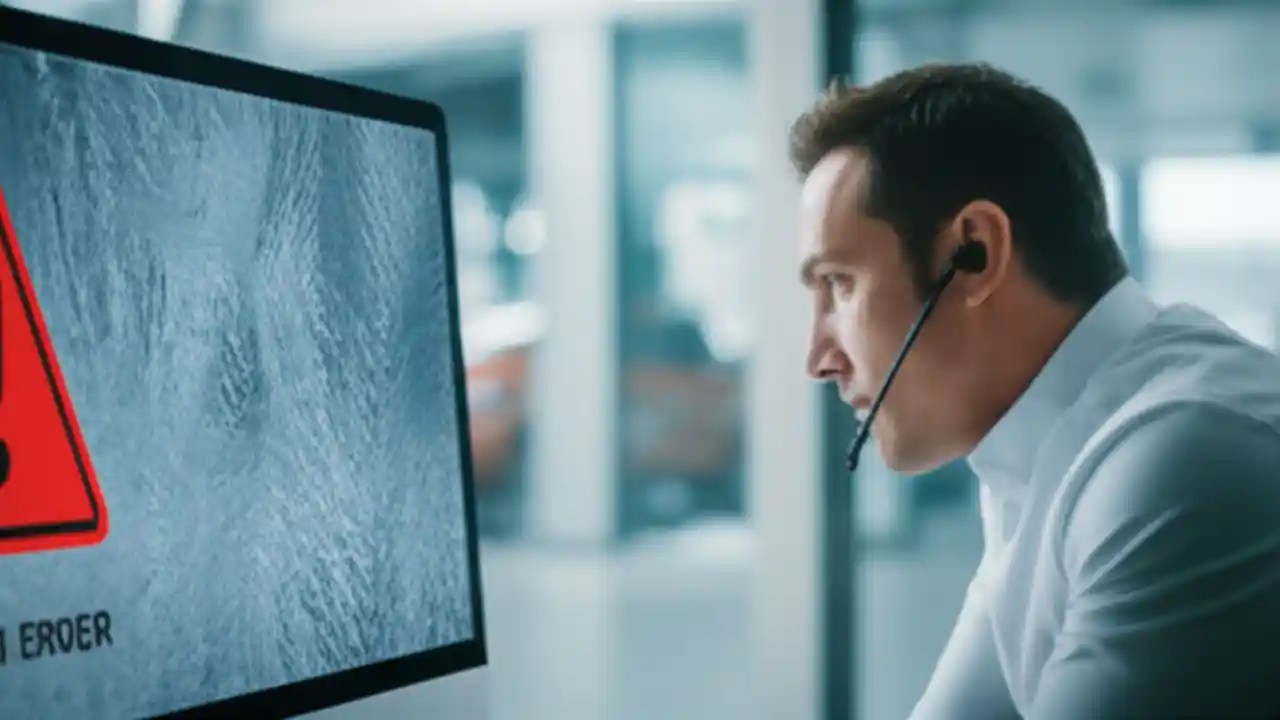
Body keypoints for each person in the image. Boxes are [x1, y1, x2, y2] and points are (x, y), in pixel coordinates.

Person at [791, 62, 1280, 718]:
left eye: (840, 285)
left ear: (975, 253)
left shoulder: (1180, 458)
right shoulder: (1046, 462)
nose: (817, 358)